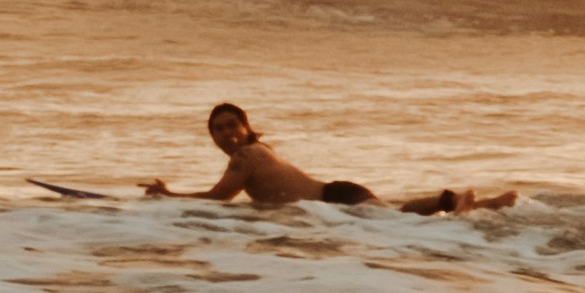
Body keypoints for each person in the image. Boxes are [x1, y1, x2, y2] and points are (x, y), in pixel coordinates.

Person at [144, 102, 511, 211]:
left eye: (231, 125)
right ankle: (468, 203)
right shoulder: (258, 151)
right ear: (212, 136)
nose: (226, 133)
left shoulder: (245, 157)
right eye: (218, 129)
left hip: (336, 201)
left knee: (399, 224)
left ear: (245, 126)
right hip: (338, 198)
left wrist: (168, 196)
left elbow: (217, 198)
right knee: (397, 218)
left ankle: (460, 203)